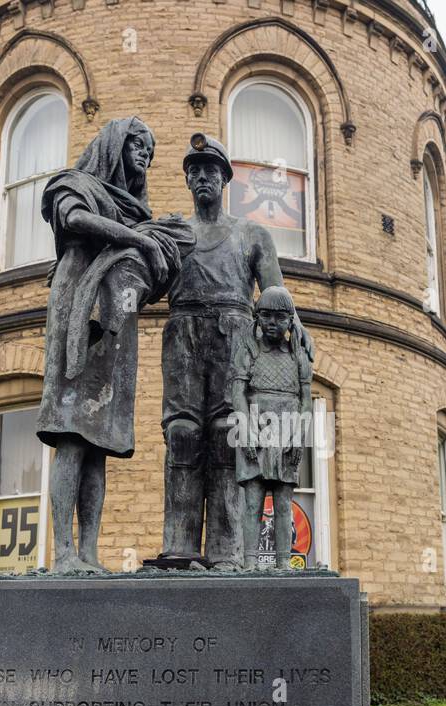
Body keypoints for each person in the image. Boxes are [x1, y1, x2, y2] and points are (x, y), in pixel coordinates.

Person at [36, 117, 194, 573]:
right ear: (114, 146)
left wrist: (141, 240)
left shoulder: (136, 211)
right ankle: (62, 552)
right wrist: (133, 238)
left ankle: (88, 552)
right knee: (70, 432)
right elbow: (73, 218)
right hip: (77, 315)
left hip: (116, 324)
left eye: (150, 150)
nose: (145, 156)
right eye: (138, 146)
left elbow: (158, 255)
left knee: (98, 440)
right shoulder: (77, 184)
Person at [159, 133, 311, 569]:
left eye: (211, 171)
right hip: (184, 336)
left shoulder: (251, 234)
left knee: (231, 436)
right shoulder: (173, 233)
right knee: (183, 436)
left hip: (234, 335)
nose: (203, 178)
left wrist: (298, 332)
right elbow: (141, 277)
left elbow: (276, 293)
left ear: (225, 180)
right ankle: (180, 546)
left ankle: (227, 552)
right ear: (188, 180)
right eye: (195, 171)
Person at [230, 286, 314, 571]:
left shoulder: (299, 358)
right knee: (252, 501)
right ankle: (250, 562)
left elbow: (305, 402)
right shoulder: (248, 353)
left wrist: (298, 438)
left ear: (290, 321)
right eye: (265, 316)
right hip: (254, 428)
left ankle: (283, 562)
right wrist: (246, 430)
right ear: (257, 318)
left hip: (286, 432)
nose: (272, 323)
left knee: (283, 504)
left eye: (279, 317)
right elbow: (237, 393)